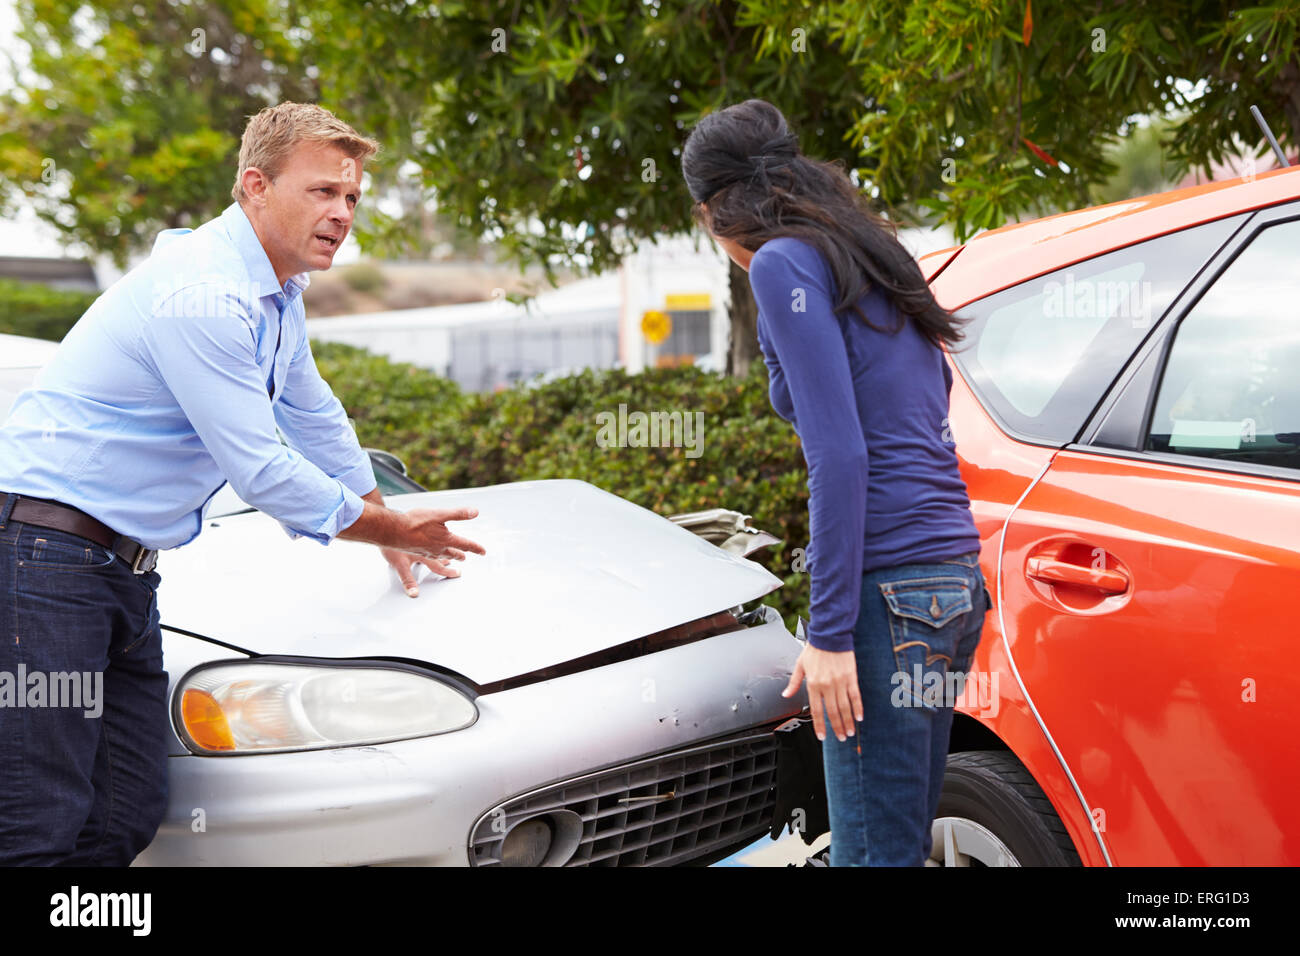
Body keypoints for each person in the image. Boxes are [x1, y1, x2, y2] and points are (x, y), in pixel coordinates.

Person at [0, 102, 485, 865]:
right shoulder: (203, 293)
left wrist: (387, 523)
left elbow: (314, 414)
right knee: (38, 826)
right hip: (44, 560)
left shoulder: (276, 295)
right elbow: (261, 469)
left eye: (353, 197)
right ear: (255, 186)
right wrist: (391, 533)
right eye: (323, 191)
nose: (343, 213)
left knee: (126, 811)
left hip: (120, 572)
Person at [681, 99, 991, 866]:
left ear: (710, 211)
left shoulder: (785, 262)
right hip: (951, 586)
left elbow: (841, 456)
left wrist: (827, 635)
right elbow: (926, 402)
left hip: (886, 595)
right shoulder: (875, 256)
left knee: (872, 856)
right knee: (900, 845)